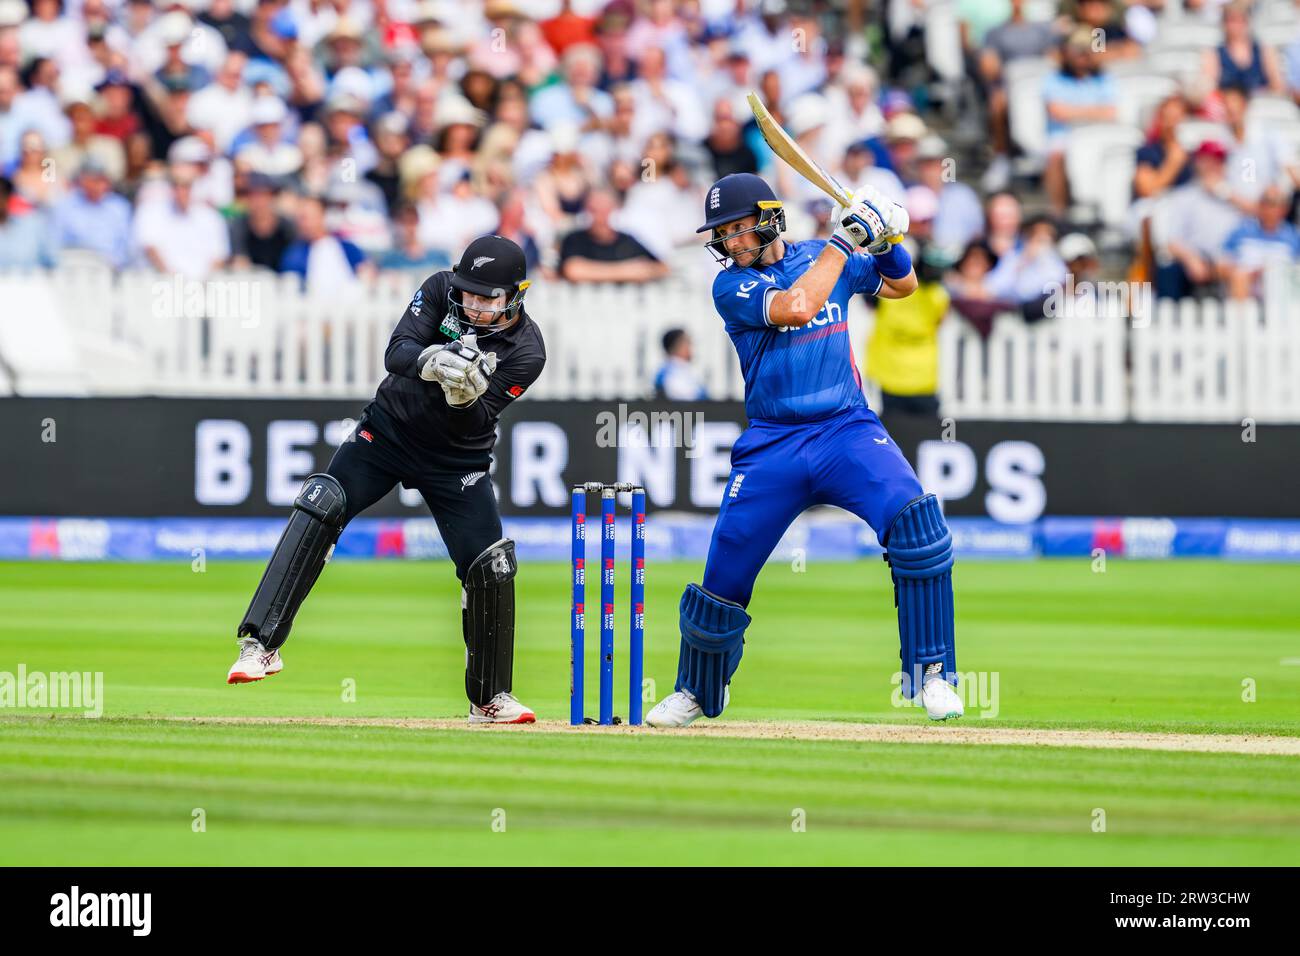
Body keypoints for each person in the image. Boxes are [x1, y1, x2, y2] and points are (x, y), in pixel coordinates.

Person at [644, 172, 963, 728]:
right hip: (774, 442)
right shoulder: (731, 286)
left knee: (918, 527)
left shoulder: (821, 255)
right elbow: (797, 306)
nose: (731, 243)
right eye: (723, 234)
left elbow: (902, 286)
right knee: (726, 569)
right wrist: (847, 239)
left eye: (740, 229)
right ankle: (695, 689)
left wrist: (888, 238)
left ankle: (933, 674)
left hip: (846, 429)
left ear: (770, 219)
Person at [229, 235, 546, 725]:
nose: (474, 305)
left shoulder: (527, 351)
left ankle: (489, 698)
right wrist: (431, 362)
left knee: (490, 566)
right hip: (387, 433)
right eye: (469, 293)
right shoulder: (439, 288)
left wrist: (464, 397)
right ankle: (261, 646)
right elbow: (397, 351)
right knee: (321, 502)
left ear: (515, 296)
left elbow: (479, 418)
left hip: (457, 461)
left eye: (487, 299)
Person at [653, 328, 708, 400]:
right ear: (677, 345)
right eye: (688, 343)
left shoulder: (683, 369)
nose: (691, 347)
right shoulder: (668, 374)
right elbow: (691, 398)